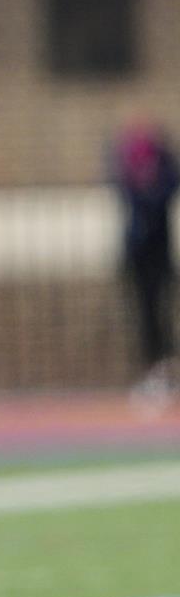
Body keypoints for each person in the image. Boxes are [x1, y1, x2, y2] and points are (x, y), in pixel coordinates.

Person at [111, 112, 178, 402]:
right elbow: (123, 190)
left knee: (164, 312)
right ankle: (154, 373)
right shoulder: (126, 176)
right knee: (144, 314)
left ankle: (167, 372)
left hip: (160, 253)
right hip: (137, 254)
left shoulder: (165, 173)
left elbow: (168, 188)